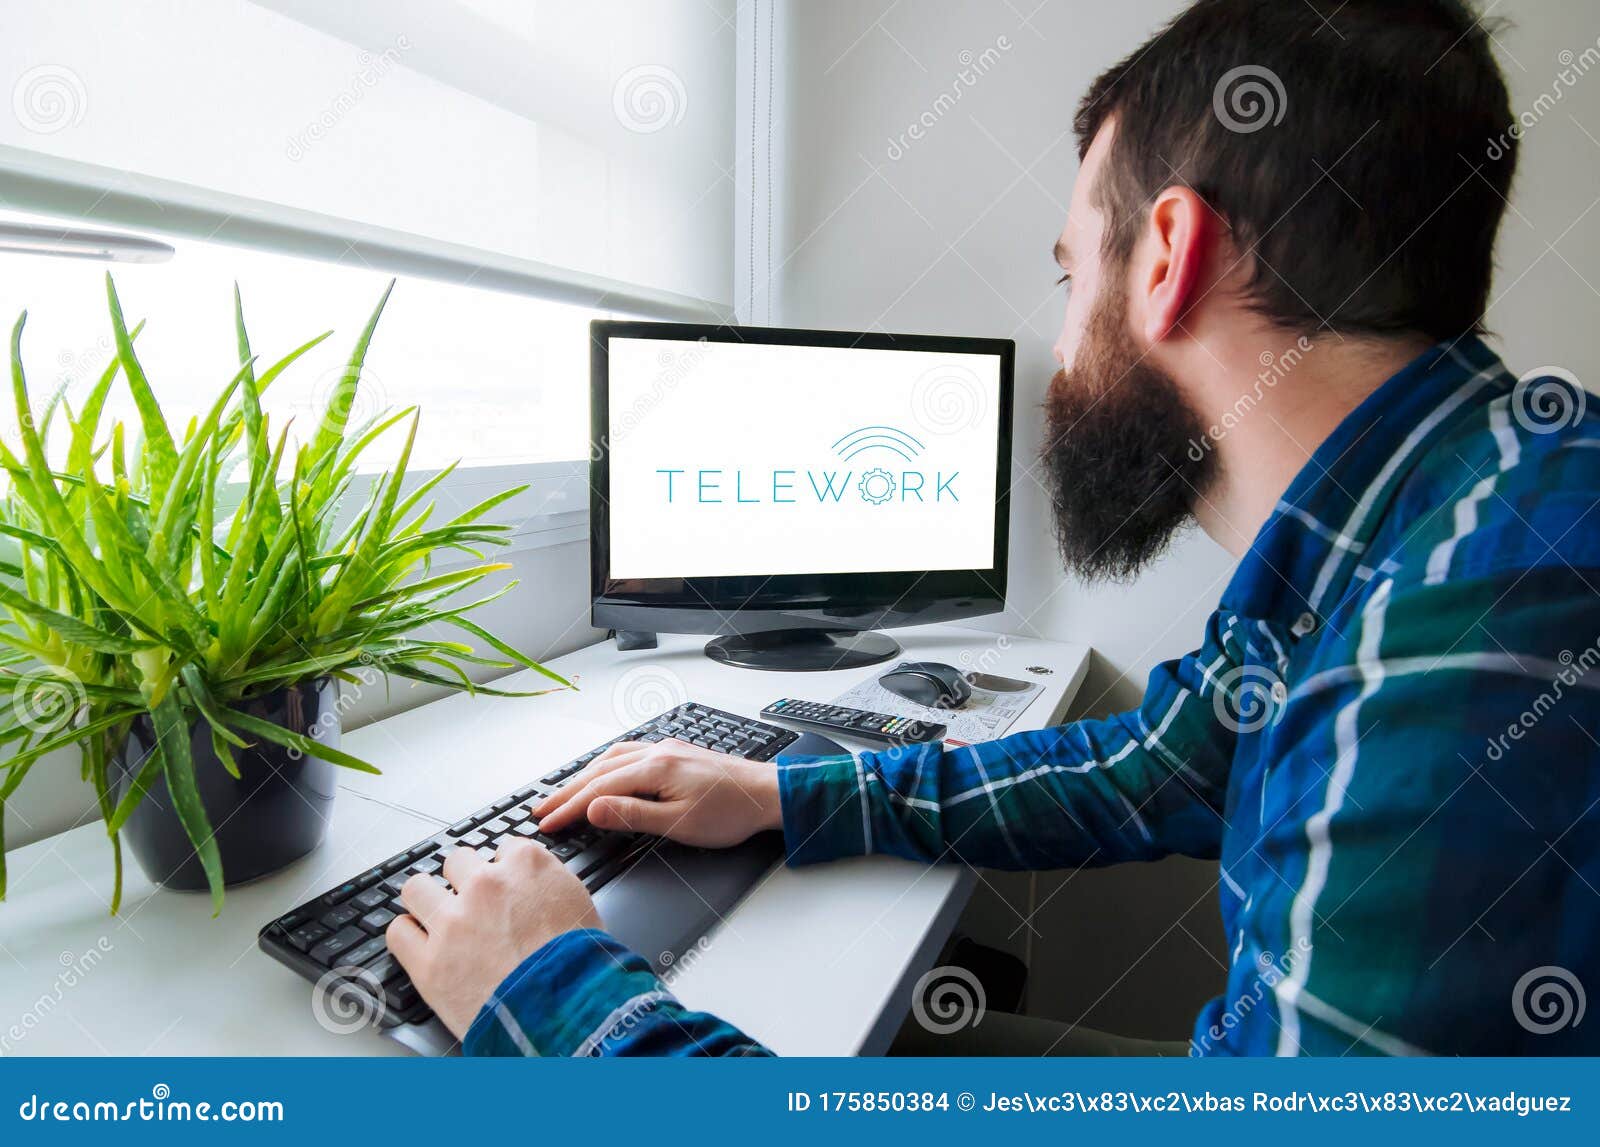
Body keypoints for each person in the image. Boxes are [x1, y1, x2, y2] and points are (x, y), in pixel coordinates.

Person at [385, 0, 1600, 1057]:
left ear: (1168, 254)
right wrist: (786, 795)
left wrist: (556, 1002)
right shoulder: (1418, 518)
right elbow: (1166, 766)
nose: (1064, 349)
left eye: (1073, 276)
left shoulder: (1456, 639)